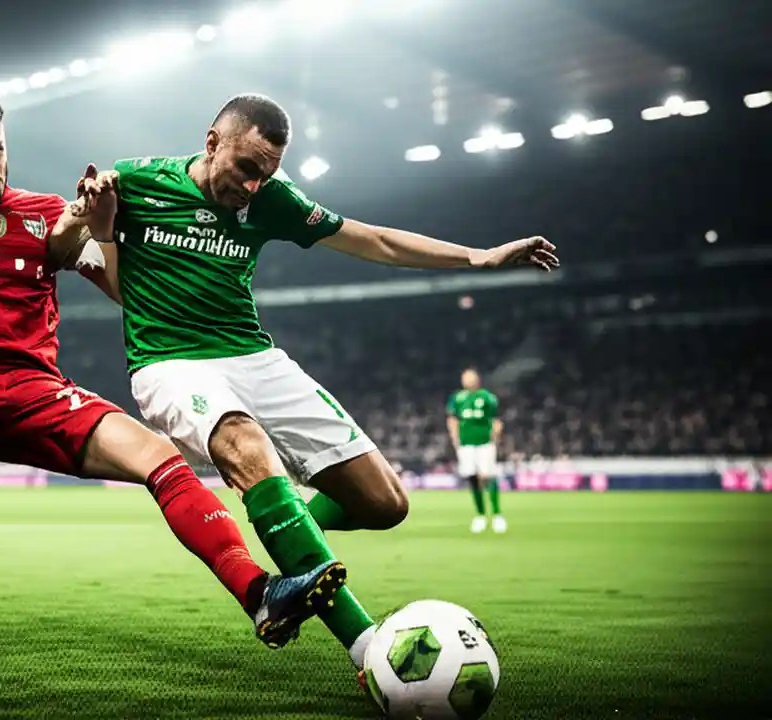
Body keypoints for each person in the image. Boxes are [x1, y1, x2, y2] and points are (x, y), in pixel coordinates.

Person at [0, 82, 346, 714]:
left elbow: (123, 288)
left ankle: (260, 593)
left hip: (36, 388)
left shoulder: (49, 213)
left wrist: (95, 224)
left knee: (160, 456)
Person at [79, 93, 558, 673]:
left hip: (255, 357)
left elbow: (371, 239)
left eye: (268, 174)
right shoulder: (133, 182)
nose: (255, 186)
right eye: (247, 168)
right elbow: (111, 280)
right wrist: (98, 227)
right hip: (171, 362)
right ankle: (368, 649)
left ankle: (285, 528)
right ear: (212, 142)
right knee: (244, 442)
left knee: (384, 502)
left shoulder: (272, 201)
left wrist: (477, 259)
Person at [447, 368, 506, 533]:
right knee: (472, 477)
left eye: (470, 377)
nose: (467, 380)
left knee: (488, 476)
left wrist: (495, 438)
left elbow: (496, 420)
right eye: (465, 378)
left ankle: (497, 515)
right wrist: (455, 438)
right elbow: (452, 419)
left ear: (477, 379)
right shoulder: (457, 398)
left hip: (484, 442)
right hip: (466, 444)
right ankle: (480, 515)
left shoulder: (487, 397)